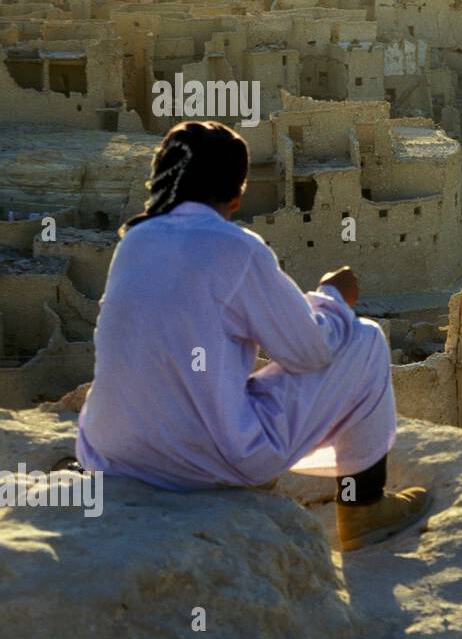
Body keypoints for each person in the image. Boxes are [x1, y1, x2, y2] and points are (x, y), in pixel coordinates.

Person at [76, 120, 429, 551]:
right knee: (364, 339)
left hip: (111, 455)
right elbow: (309, 351)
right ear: (237, 196)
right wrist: (333, 297)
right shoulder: (236, 247)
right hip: (198, 462)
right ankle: (363, 508)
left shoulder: (133, 242)